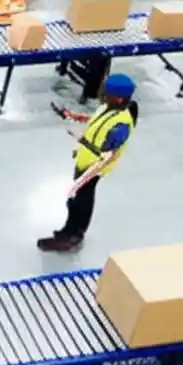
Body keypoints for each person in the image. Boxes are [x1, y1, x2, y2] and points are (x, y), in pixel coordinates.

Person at [38, 74, 139, 252]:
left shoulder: (120, 127)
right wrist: (71, 115)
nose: (102, 95)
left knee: (80, 200)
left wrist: (84, 178)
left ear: (119, 98)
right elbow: (94, 120)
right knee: (78, 198)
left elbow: (109, 156)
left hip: (93, 168)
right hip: (85, 160)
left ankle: (73, 235)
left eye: (106, 93)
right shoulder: (108, 107)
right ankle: (69, 230)